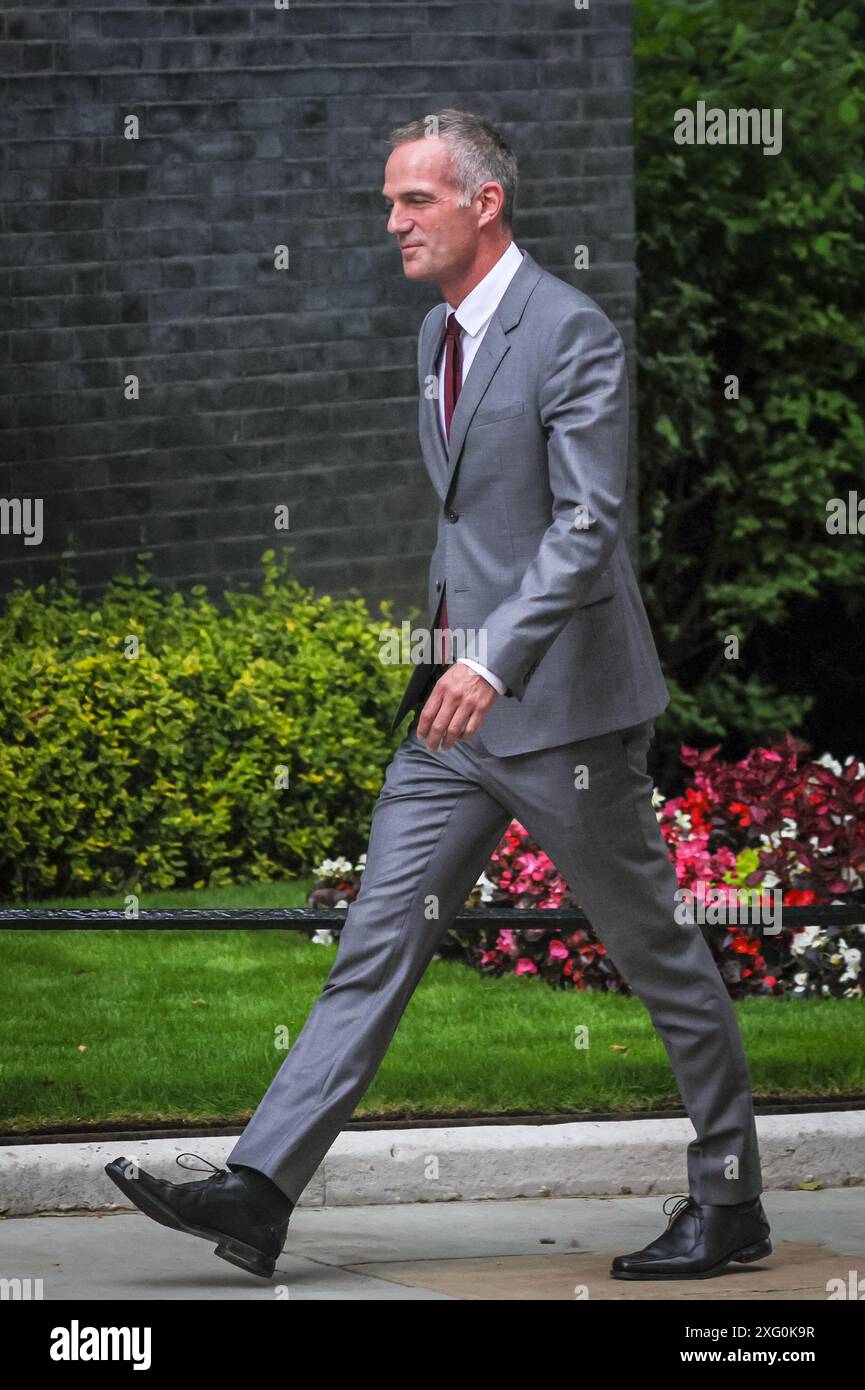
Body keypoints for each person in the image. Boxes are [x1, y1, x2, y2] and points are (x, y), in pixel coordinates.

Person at [106, 109, 770, 1284]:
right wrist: (443, 662)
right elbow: (469, 521)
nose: (393, 220)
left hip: (561, 710)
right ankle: (259, 1191)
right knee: (376, 940)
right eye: (389, 200)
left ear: (482, 203)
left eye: (413, 199)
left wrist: (488, 658)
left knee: (656, 950)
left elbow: (583, 525)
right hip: (450, 722)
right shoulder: (435, 335)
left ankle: (730, 1202)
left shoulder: (569, 332)